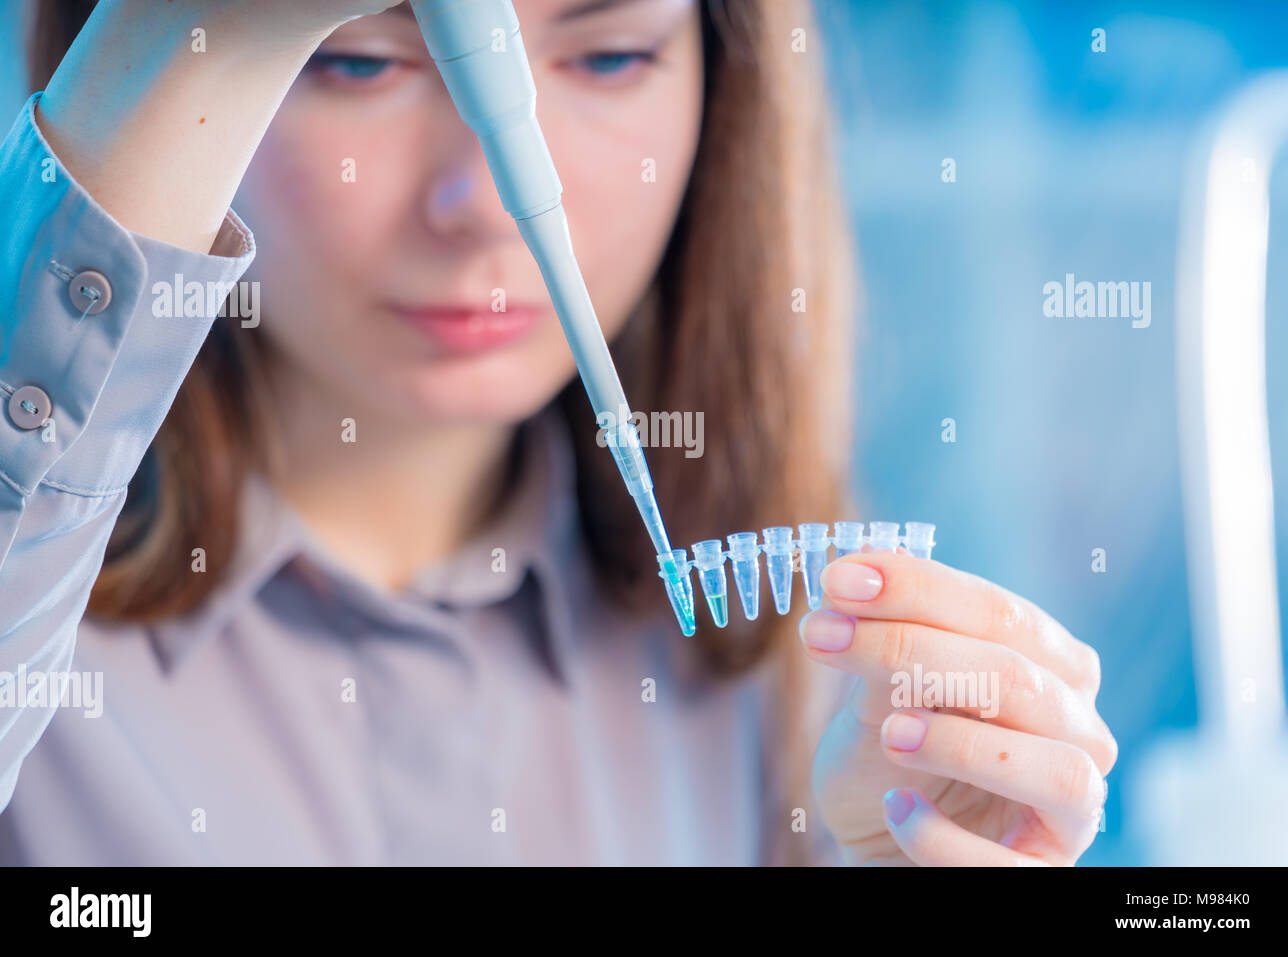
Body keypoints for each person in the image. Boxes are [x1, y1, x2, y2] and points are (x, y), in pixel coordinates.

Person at [0, 0, 1115, 865]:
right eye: (358, 60)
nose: (483, 200)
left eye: (611, 55)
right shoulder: (39, 618)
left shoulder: (799, 675)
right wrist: (165, 46)